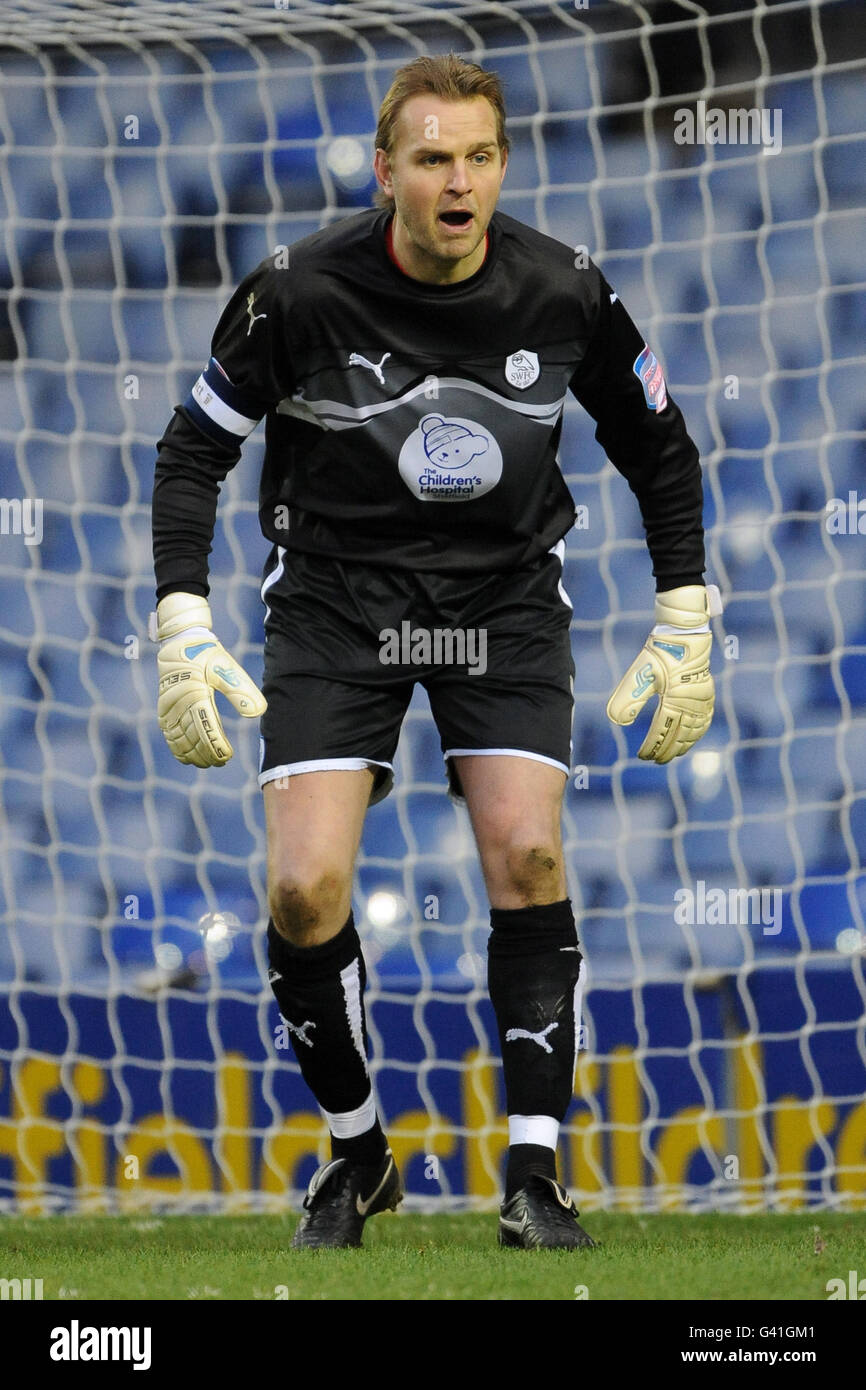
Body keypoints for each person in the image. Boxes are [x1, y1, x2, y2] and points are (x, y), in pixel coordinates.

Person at [151, 53, 715, 1250]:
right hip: (333, 605)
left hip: (501, 600)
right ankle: (359, 1159)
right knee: (303, 891)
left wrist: (683, 613)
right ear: (384, 168)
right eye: (429, 158)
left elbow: (658, 448)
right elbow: (190, 448)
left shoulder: (563, 291)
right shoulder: (296, 293)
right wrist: (181, 619)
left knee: (527, 853)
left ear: (500, 164)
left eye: (476, 157)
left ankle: (535, 1172)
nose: (456, 182)